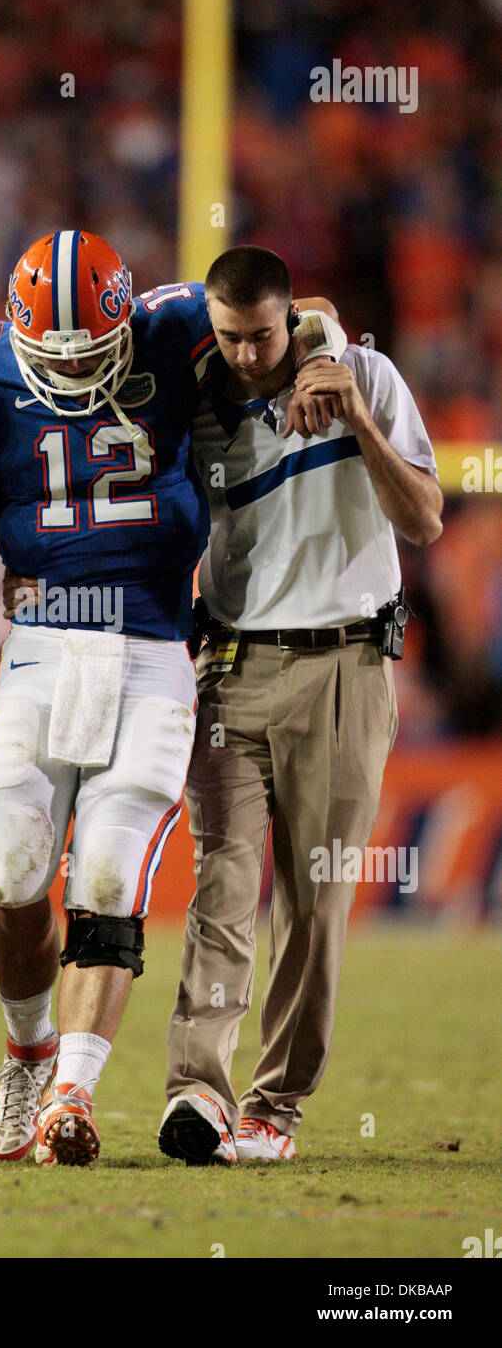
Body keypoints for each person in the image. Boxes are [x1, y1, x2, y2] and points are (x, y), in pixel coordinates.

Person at [0, 232, 344, 1167]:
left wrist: (327, 358)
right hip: (40, 644)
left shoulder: (177, 325)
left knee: (107, 875)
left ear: (125, 321)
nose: (73, 373)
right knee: (16, 874)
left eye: (92, 352)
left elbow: (305, 315)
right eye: (54, 356)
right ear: (19, 332)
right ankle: (28, 1052)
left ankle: (74, 1091)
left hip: (150, 646)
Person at [158, 246, 443, 1167]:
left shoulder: (365, 375)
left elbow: (426, 517)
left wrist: (354, 409)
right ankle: (199, 1088)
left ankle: (275, 1106)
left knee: (314, 904)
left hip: (344, 663)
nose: (246, 354)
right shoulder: (201, 402)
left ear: (291, 320)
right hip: (233, 665)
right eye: (229, 336)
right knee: (224, 884)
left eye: (262, 335)